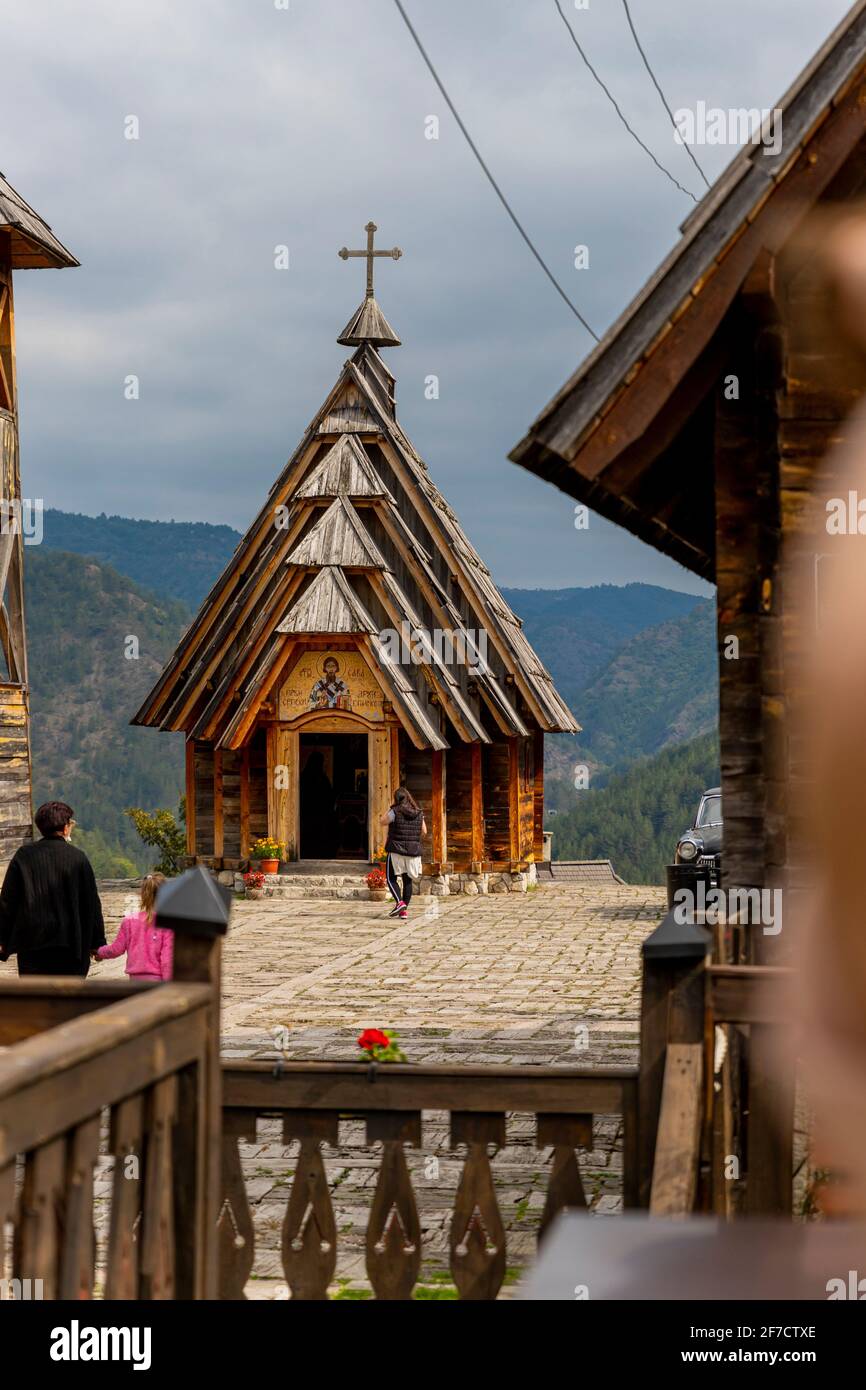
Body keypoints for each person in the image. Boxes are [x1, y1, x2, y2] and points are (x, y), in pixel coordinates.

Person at [0, 800, 105, 976]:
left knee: (35, 1001)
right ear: (65, 828)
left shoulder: (24, 856)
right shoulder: (78, 858)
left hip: (32, 948)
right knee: (68, 1001)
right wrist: (97, 942)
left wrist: (2, 939)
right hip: (72, 949)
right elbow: (91, 904)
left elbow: (8, 901)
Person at [94, 873, 173, 981]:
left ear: (142, 894)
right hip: (157, 984)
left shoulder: (129, 921)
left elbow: (116, 949)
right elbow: (167, 960)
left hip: (134, 983)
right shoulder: (167, 924)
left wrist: (99, 952)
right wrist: (169, 986)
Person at [380, 786, 426, 920]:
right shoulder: (419, 812)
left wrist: (391, 808)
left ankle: (400, 903)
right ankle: (403, 911)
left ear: (397, 799)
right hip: (413, 851)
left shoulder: (395, 811)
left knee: (390, 878)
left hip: (396, 850)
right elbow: (424, 831)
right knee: (407, 881)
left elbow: (382, 821)